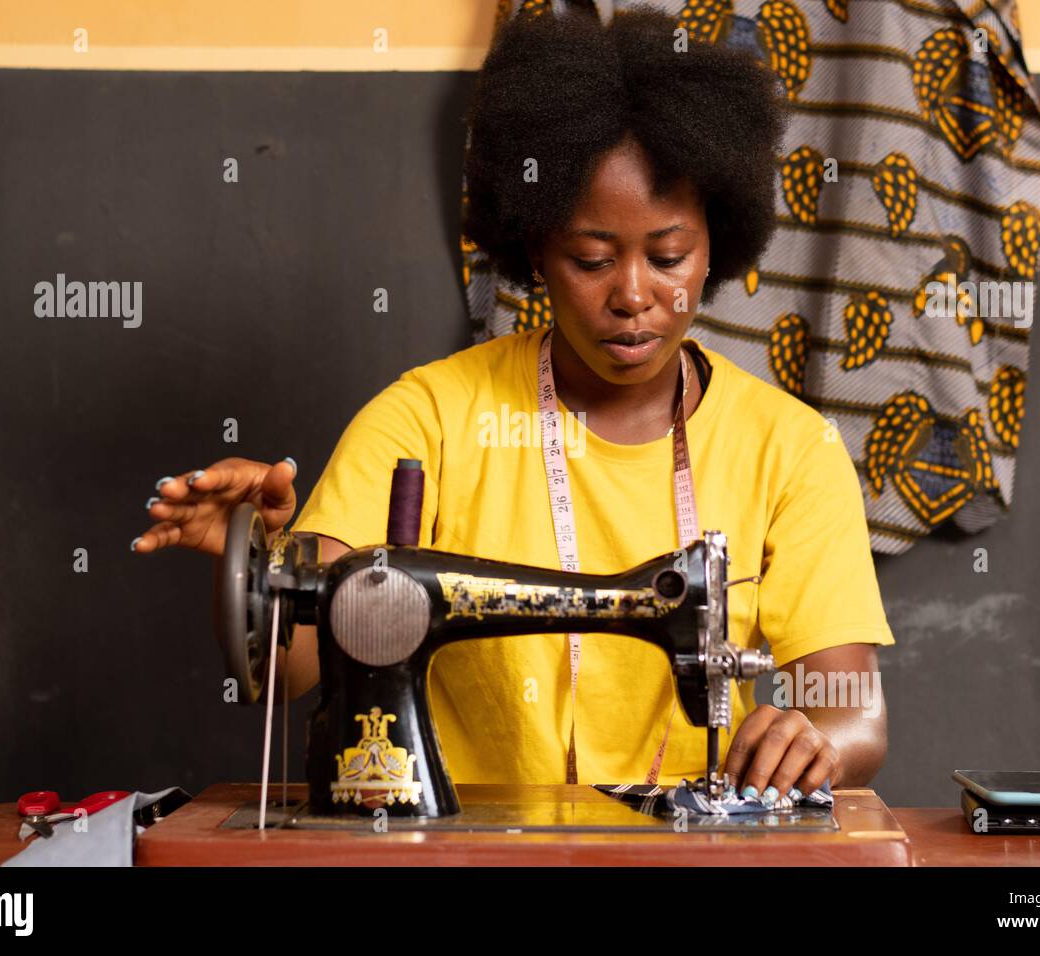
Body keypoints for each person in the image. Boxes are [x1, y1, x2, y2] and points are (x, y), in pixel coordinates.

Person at [132, 7, 894, 801]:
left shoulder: (791, 448)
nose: (634, 296)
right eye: (591, 259)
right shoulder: (427, 417)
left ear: (717, 245)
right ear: (535, 246)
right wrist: (260, 567)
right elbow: (294, 671)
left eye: (668, 256)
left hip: (687, 853)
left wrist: (815, 738)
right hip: (464, 852)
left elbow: (854, 712)